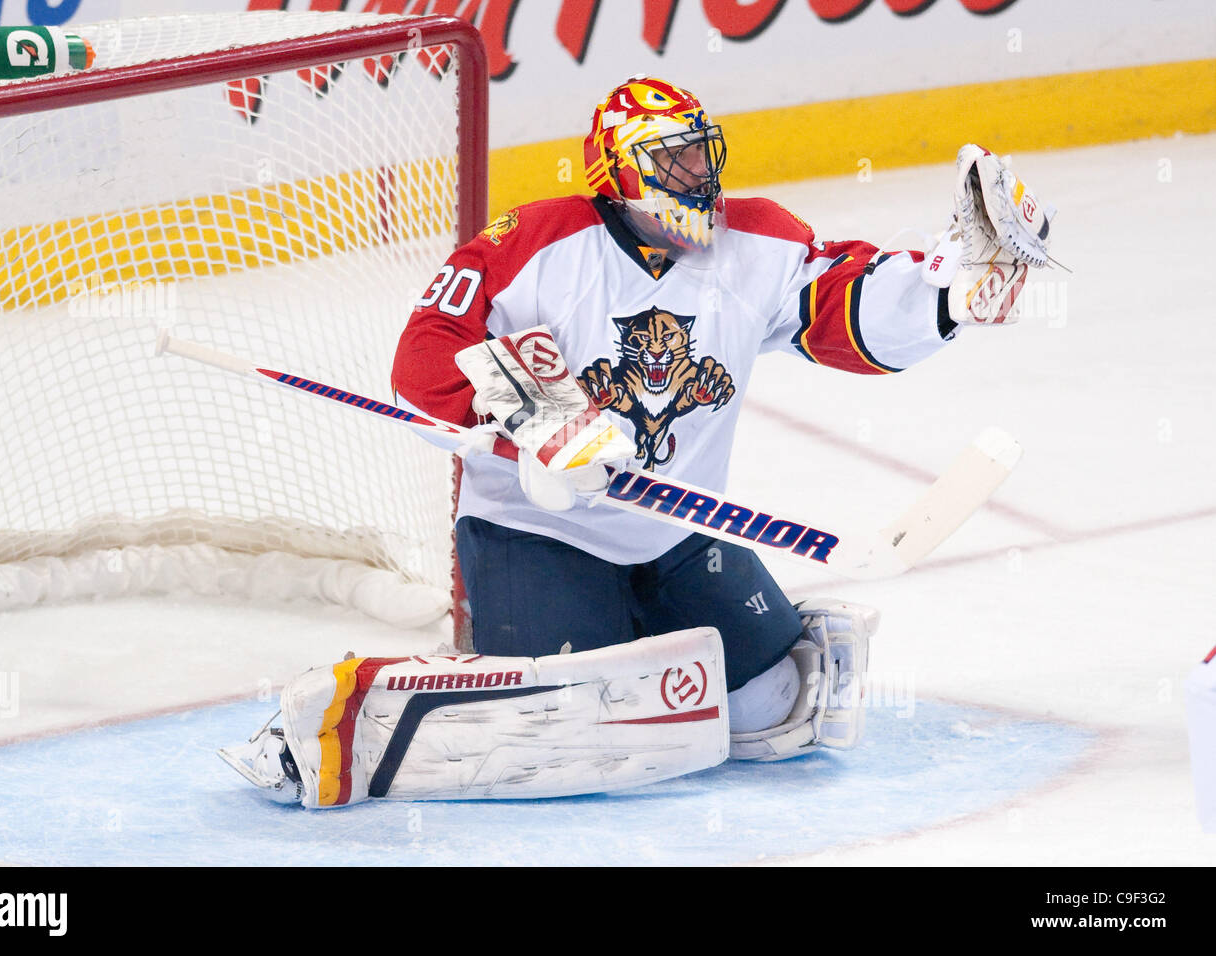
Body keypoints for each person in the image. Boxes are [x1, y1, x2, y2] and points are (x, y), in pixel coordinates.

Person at [219, 75, 1051, 806]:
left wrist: (949, 291)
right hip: (536, 530)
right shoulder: (535, 244)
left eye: (703, 156)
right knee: (565, 731)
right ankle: (348, 710)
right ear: (618, 173)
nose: (701, 177)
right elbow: (427, 346)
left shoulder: (754, 242)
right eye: (677, 162)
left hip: (677, 530)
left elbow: (841, 300)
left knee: (772, 709)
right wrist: (541, 416)